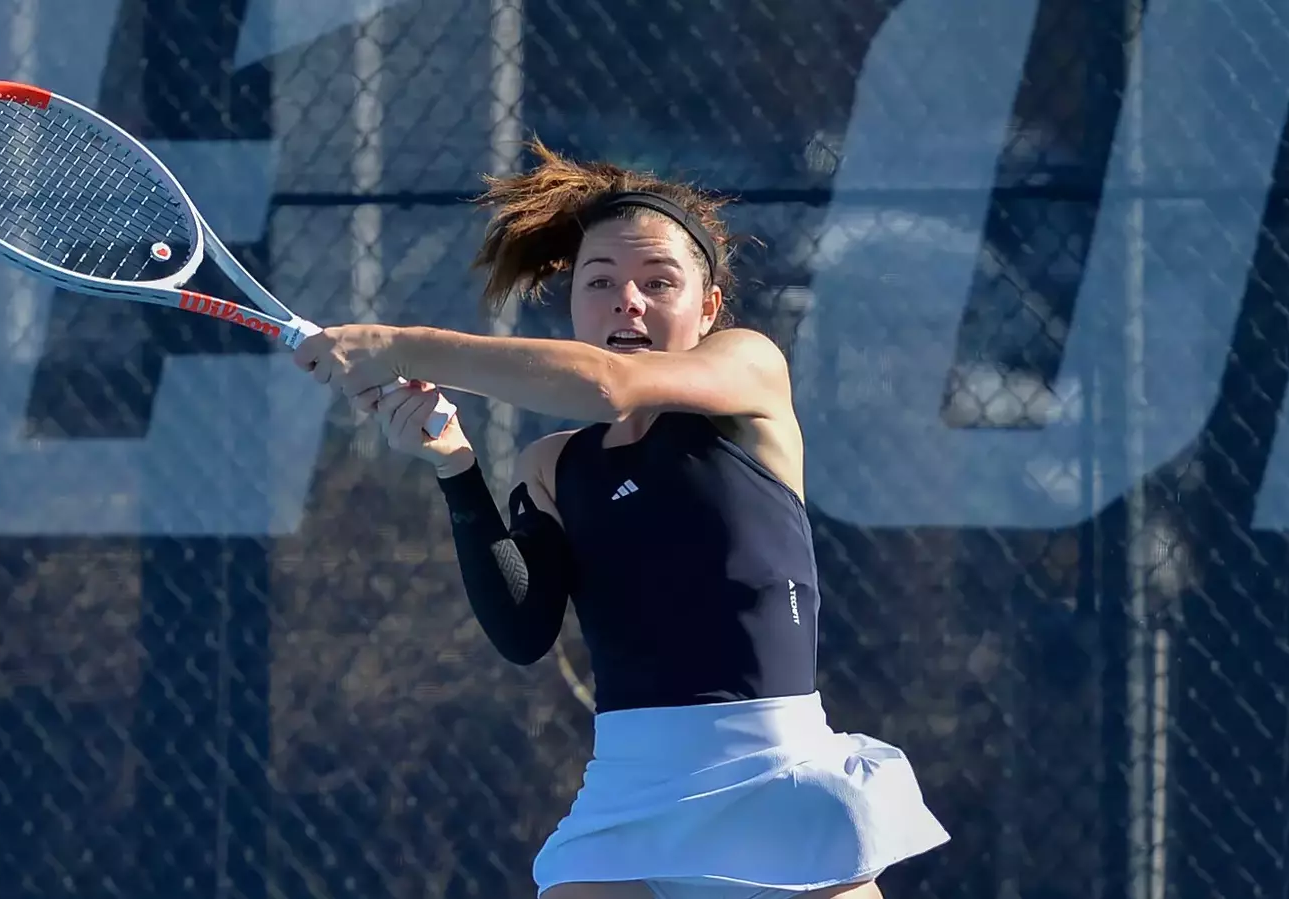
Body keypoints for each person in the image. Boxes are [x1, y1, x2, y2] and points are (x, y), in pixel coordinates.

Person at [291, 140, 950, 899]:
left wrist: (396, 345)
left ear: (708, 307)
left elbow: (611, 385)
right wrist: (455, 467)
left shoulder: (750, 373)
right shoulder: (551, 465)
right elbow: (523, 631)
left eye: (657, 281)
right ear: (574, 304)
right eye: (600, 281)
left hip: (779, 779)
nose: (626, 300)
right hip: (624, 800)